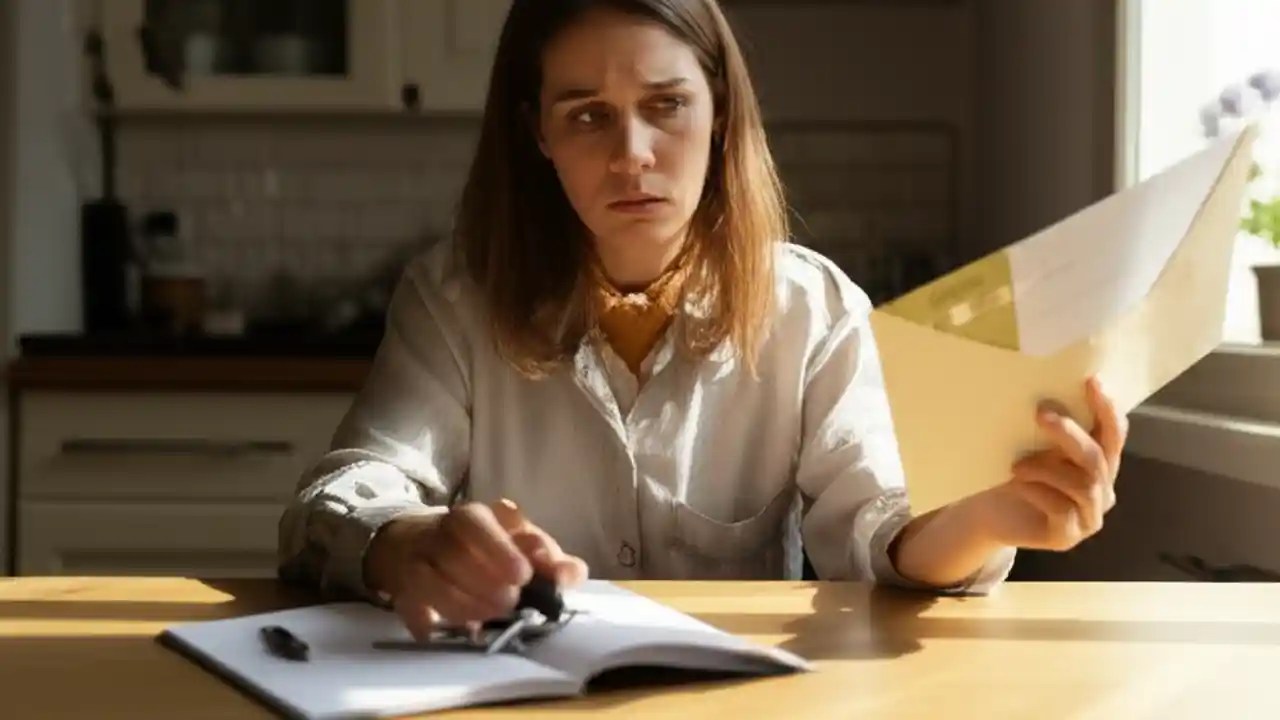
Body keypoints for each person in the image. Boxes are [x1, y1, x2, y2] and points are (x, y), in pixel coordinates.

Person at [278, 0, 1128, 639]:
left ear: (720, 112)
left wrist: (991, 513)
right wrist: (408, 540)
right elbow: (335, 502)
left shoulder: (814, 307)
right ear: (536, 133)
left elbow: (879, 526)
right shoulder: (452, 297)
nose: (632, 155)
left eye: (667, 105)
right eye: (586, 115)